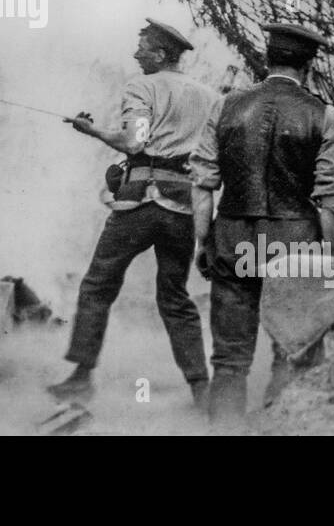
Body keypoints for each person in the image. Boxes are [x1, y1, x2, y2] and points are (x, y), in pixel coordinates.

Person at [189, 23, 334, 430]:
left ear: (267, 58)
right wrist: (327, 256)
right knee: (289, 350)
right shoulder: (324, 115)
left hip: (232, 239)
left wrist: (202, 241)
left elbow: (203, 185)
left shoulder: (226, 106)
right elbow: (333, 200)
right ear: (309, 64)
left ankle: (223, 429)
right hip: (294, 247)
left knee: (229, 357)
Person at [48, 20, 214, 409]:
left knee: (97, 286)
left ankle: (80, 378)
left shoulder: (142, 87)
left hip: (139, 204)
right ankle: (201, 389)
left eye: (142, 47)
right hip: (184, 208)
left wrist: (91, 130)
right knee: (175, 297)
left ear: (159, 54)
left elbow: (133, 141)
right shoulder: (209, 97)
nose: (136, 53)